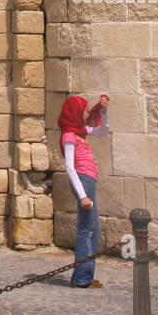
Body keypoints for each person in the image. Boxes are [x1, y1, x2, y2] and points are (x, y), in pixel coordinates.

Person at [58, 93, 110, 289]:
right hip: (83, 181)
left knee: (92, 227)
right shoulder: (69, 136)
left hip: (88, 180)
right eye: (85, 109)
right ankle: (81, 277)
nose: (87, 113)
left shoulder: (80, 131)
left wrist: (103, 112)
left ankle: (86, 274)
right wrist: (83, 196)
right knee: (86, 227)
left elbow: (103, 131)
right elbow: (70, 167)